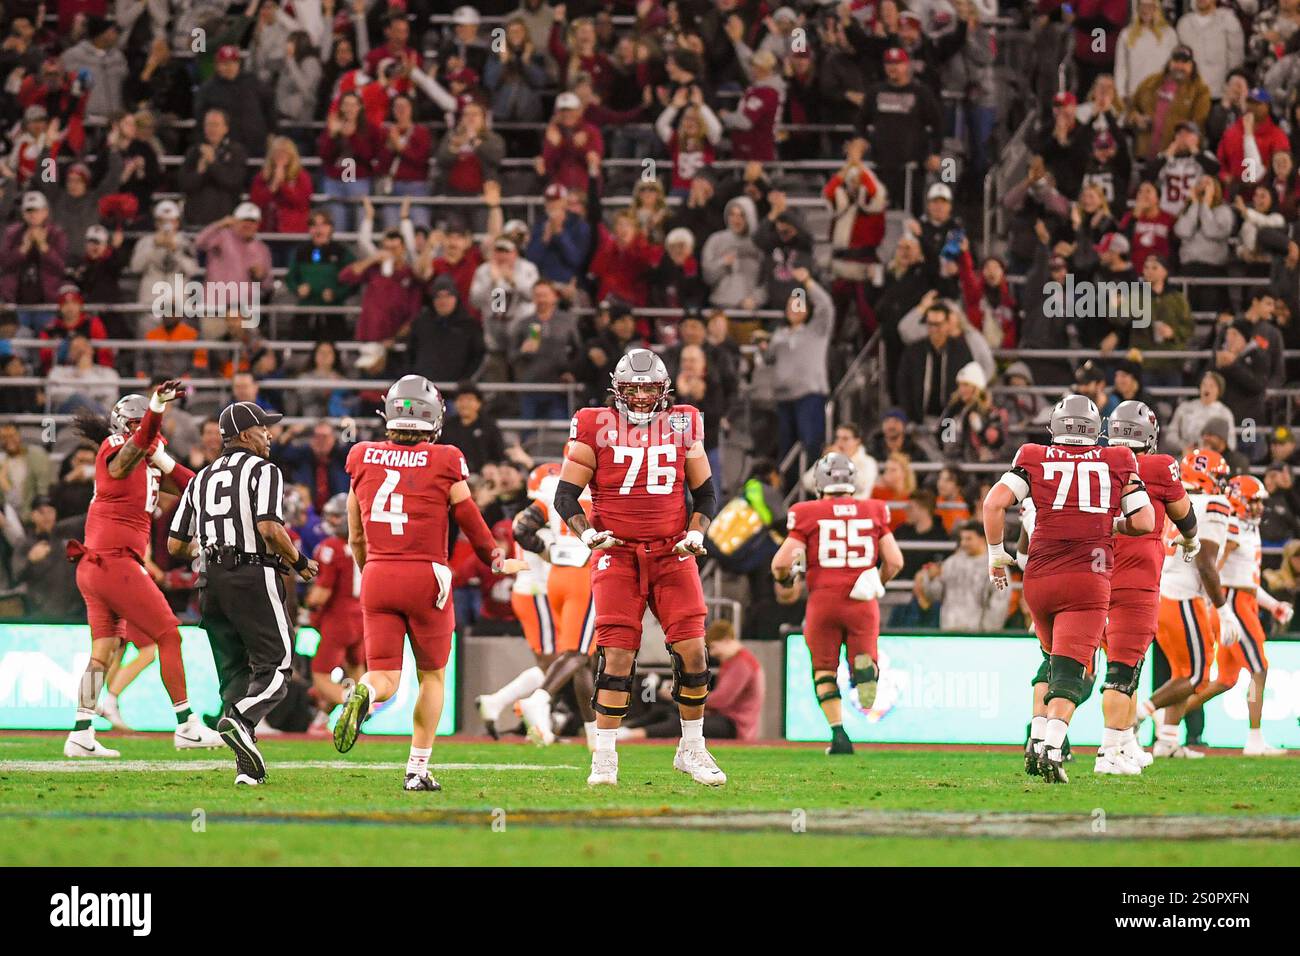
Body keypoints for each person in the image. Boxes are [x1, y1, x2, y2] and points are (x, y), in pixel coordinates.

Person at [554, 349, 724, 787]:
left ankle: (692, 748)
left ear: (664, 390)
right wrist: (586, 534)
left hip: (672, 552)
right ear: (618, 390)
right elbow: (565, 496)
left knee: (694, 651)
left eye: (651, 389)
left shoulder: (684, 422)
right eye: (634, 389)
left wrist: (697, 533)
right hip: (617, 550)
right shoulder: (594, 424)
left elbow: (705, 494)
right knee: (617, 655)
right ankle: (604, 758)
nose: (644, 398)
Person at [331, 376, 505, 792]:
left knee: (383, 676)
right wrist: (494, 557)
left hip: (376, 573)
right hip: (425, 575)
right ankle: (416, 770)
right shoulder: (445, 458)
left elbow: (355, 534)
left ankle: (364, 696)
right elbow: (470, 522)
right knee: (432, 678)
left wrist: (370, 569)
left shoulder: (362, 455)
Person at [983, 395, 1154, 783]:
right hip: (1087, 577)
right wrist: (1113, 525)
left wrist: (997, 555)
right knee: (1070, 670)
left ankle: (1038, 737)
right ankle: (1052, 747)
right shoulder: (1118, 460)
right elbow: (1144, 521)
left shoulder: (1032, 456)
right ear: (1096, 429)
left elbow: (994, 505)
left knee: (1051, 660)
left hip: (1039, 579)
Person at [65, 385, 223, 758]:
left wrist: (165, 461)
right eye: (137, 426)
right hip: (113, 561)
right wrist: (155, 408)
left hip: (100, 564)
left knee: (102, 653)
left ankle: (81, 732)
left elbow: (193, 487)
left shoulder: (146, 461)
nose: (143, 432)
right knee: (169, 635)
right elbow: (136, 446)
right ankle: (186, 724)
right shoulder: (115, 450)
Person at [168, 400, 319, 785]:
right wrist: (300, 563)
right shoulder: (264, 470)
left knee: (236, 672)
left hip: (211, 582)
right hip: (251, 573)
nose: (269, 434)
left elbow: (175, 544)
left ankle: (245, 767)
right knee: (278, 665)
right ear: (245, 434)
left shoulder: (200, 477)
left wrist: (209, 551)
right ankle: (239, 719)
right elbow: (269, 527)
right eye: (264, 428)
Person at [772, 453, 902, 756]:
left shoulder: (807, 512)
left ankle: (838, 733)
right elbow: (895, 561)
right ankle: (864, 673)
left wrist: (786, 581)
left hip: (823, 600)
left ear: (820, 483)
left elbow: (780, 564)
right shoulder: (873, 510)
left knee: (824, 671)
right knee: (865, 662)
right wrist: (876, 580)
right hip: (862, 601)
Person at [1095, 401, 1195, 775]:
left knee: (1126, 660)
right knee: (1122, 666)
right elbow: (1186, 514)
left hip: (1098, 570)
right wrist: (1191, 537)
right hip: (1136, 576)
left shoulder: (1097, 461)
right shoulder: (1157, 465)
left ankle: (1125, 741)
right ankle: (1109, 750)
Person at [1182, 475, 1293, 755]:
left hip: (1243, 600)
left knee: (1225, 680)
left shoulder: (1247, 528)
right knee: (1259, 669)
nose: (1258, 507)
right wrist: (1210, 601)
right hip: (1234, 605)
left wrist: (1272, 605)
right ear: (1240, 499)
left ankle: (1166, 717)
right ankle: (1255, 739)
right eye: (1254, 501)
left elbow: (1248, 580)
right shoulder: (1231, 527)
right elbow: (1214, 567)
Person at [1135, 449, 1234, 758]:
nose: (1223, 485)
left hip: (1161, 592)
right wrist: (1223, 608)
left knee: (1182, 671)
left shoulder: (1174, 498)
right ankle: (1139, 713)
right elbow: (1206, 563)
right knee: (1196, 676)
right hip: (1180, 596)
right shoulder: (1213, 503)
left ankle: (1166, 740)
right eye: (1219, 477)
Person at [505, 461, 600, 748]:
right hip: (584, 573)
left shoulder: (550, 489)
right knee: (578, 655)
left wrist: (550, 551)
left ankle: (594, 736)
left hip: (556, 577)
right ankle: (540, 698)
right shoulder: (602, 487)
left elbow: (522, 530)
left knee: (583, 661)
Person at [303, 494, 365, 729]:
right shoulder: (366, 544)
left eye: (337, 516)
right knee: (356, 669)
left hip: (339, 617)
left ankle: (351, 706)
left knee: (320, 677)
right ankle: (336, 718)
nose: (332, 520)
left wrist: (308, 603)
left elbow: (322, 593)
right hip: (361, 616)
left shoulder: (331, 548)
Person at [914, 521, 1009, 631]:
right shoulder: (951, 563)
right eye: (962, 539)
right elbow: (935, 595)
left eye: (968, 539)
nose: (963, 543)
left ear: (983, 539)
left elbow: (999, 604)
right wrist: (930, 579)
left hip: (978, 633)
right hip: (949, 629)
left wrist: (988, 632)